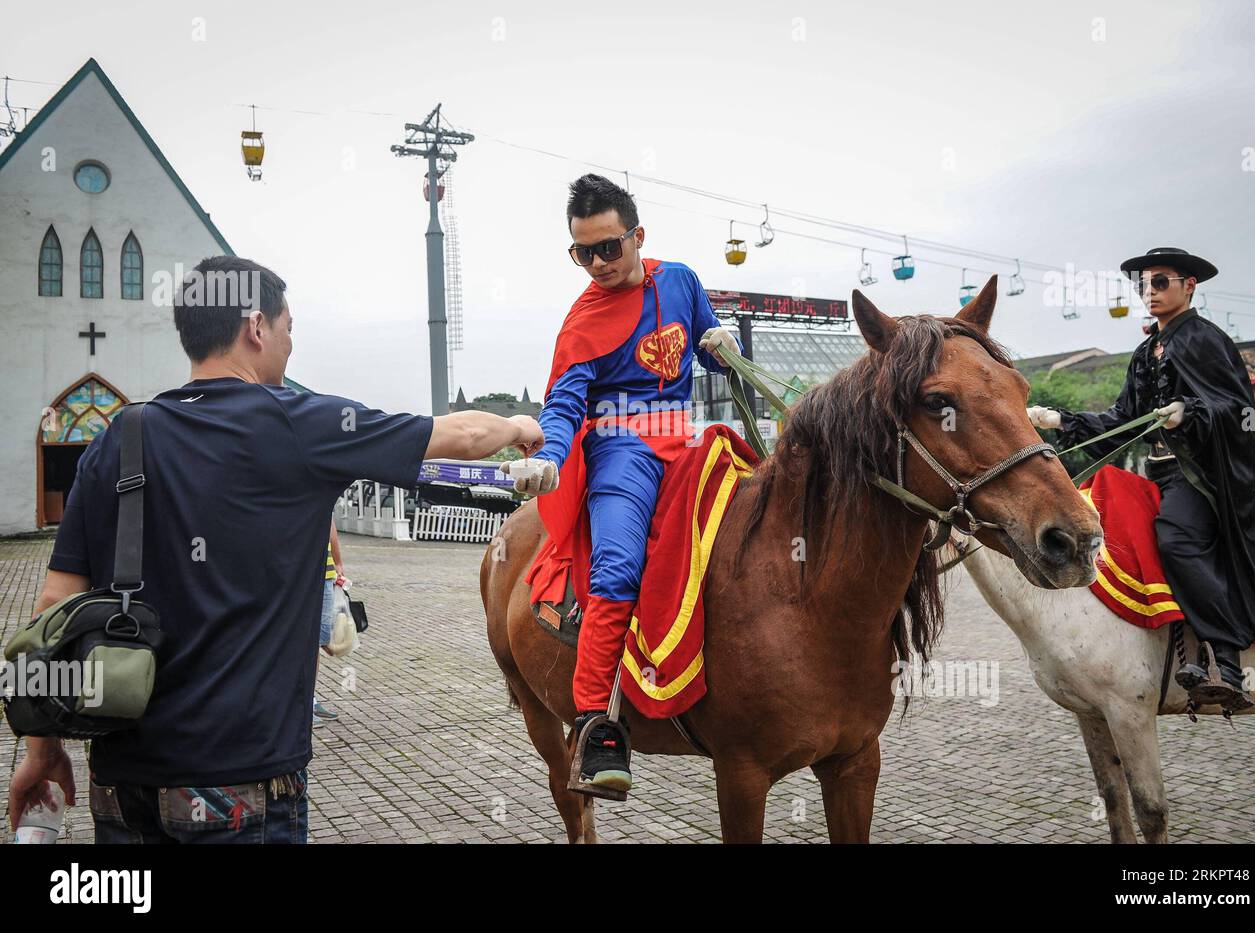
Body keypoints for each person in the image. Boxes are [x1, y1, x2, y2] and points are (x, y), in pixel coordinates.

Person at [7, 255, 543, 843]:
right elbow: (461, 436)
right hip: (242, 789)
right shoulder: (301, 424)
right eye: (289, 330)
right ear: (257, 328)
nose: (290, 347)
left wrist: (42, 748)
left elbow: (53, 609)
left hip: (122, 785)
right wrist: (521, 425)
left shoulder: (119, 436)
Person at [500, 174, 738, 793]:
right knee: (617, 568)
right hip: (620, 452)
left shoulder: (681, 280)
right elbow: (563, 402)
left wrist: (720, 345)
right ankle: (596, 727)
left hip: (687, 442)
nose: (598, 264)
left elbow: (706, 345)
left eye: (609, 247)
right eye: (583, 253)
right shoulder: (580, 323)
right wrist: (552, 454)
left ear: (638, 236)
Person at [1028, 247, 1255, 711]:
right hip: (1158, 475)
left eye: (1160, 282)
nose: (1150, 292)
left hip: (1199, 478)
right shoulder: (1147, 351)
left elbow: (1236, 409)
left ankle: (1225, 663)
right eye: (1143, 285)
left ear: (1189, 286)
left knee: (1178, 540)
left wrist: (1190, 413)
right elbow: (1122, 419)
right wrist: (1061, 422)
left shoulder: (1206, 339)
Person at [313, 520, 345, 726]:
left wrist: (338, 561)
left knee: (315, 641)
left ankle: (309, 700)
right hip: (298, 573)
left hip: (325, 573)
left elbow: (329, 521)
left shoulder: (322, 490)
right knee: (303, 641)